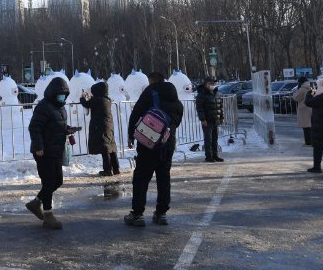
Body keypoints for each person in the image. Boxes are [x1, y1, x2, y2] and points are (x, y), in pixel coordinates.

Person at [125, 72, 183, 227]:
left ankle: (137, 214)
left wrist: (131, 134)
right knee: (164, 177)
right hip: (168, 142)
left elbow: (136, 112)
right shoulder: (174, 97)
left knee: (141, 177)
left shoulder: (151, 93)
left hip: (148, 142)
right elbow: (177, 119)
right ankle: (161, 213)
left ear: (152, 81)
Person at [26, 76, 72, 230]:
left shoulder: (60, 107)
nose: (63, 97)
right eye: (60, 94)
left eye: (65, 94)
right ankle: (48, 215)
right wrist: (39, 146)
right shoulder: (44, 106)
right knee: (49, 182)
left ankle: (36, 202)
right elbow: (35, 127)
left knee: (57, 181)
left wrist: (67, 129)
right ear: (53, 93)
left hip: (56, 150)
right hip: (44, 151)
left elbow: (56, 125)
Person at [80, 82, 120, 176]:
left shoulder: (98, 100)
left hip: (100, 126)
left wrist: (82, 97)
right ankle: (116, 168)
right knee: (111, 147)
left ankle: (107, 170)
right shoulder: (107, 100)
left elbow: (86, 103)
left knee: (104, 148)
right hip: (108, 125)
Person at [196, 77, 224, 162]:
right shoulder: (202, 94)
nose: (212, 85)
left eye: (213, 83)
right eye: (210, 83)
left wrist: (221, 117)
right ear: (205, 84)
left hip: (215, 119)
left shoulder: (216, 93)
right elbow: (199, 108)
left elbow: (219, 106)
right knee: (208, 139)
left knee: (215, 138)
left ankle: (215, 155)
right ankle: (208, 156)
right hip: (207, 120)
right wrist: (203, 119)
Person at [291, 77, 313, 146]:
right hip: (311, 108)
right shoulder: (311, 87)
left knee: (306, 127)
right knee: (310, 126)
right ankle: (312, 141)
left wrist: (294, 93)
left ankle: (308, 142)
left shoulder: (302, 89)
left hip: (304, 109)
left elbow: (296, 98)